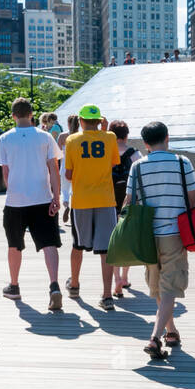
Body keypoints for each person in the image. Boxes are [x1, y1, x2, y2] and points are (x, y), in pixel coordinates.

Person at [122, 121, 195, 360]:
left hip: (147, 235)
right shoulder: (182, 162)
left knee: (158, 285)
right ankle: (155, 337)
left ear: (145, 144)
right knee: (169, 287)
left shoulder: (136, 167)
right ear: (167, 138)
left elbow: (129, 202)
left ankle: (171, 331)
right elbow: (194, 199)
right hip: (175, 233)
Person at [0, 98, 63, 310]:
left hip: (15, 201)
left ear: (14, 115)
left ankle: (14, 286)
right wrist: (56, 196)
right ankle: (54, 285)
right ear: (32, 114)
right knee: (49, 243)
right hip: (42, 198)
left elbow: (5, 172)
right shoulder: (44, 137)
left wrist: (13, 190)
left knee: (14, 244)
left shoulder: (5, 139)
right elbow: (53, 168)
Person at [64, 104, 121, 310]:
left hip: (81, 200)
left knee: (78, 244)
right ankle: (107, 295)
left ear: (80, 121)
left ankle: (75, 284)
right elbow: (114, 163)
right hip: (106, 199)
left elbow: (68, 175)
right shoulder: (110, 137)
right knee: (106, 248)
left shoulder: (72, 140)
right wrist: (105, 131)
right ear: (99, 121)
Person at [109, 119, 143, 297]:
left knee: (113, 241)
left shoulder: (107, 152)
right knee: (127, 239)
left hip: (108, 201)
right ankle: (124, 276)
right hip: (129, 202)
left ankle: (116, 280)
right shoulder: (134, 154)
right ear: (127, 135)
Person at [57, 114, 79, 223]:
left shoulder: (62, 136)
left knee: (64, 191)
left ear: (68, 123)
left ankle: (66, 206)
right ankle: (75, 211)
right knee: (75, 191)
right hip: (78, 168)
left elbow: (57, 153)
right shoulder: (80, 136)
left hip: (64, 167)